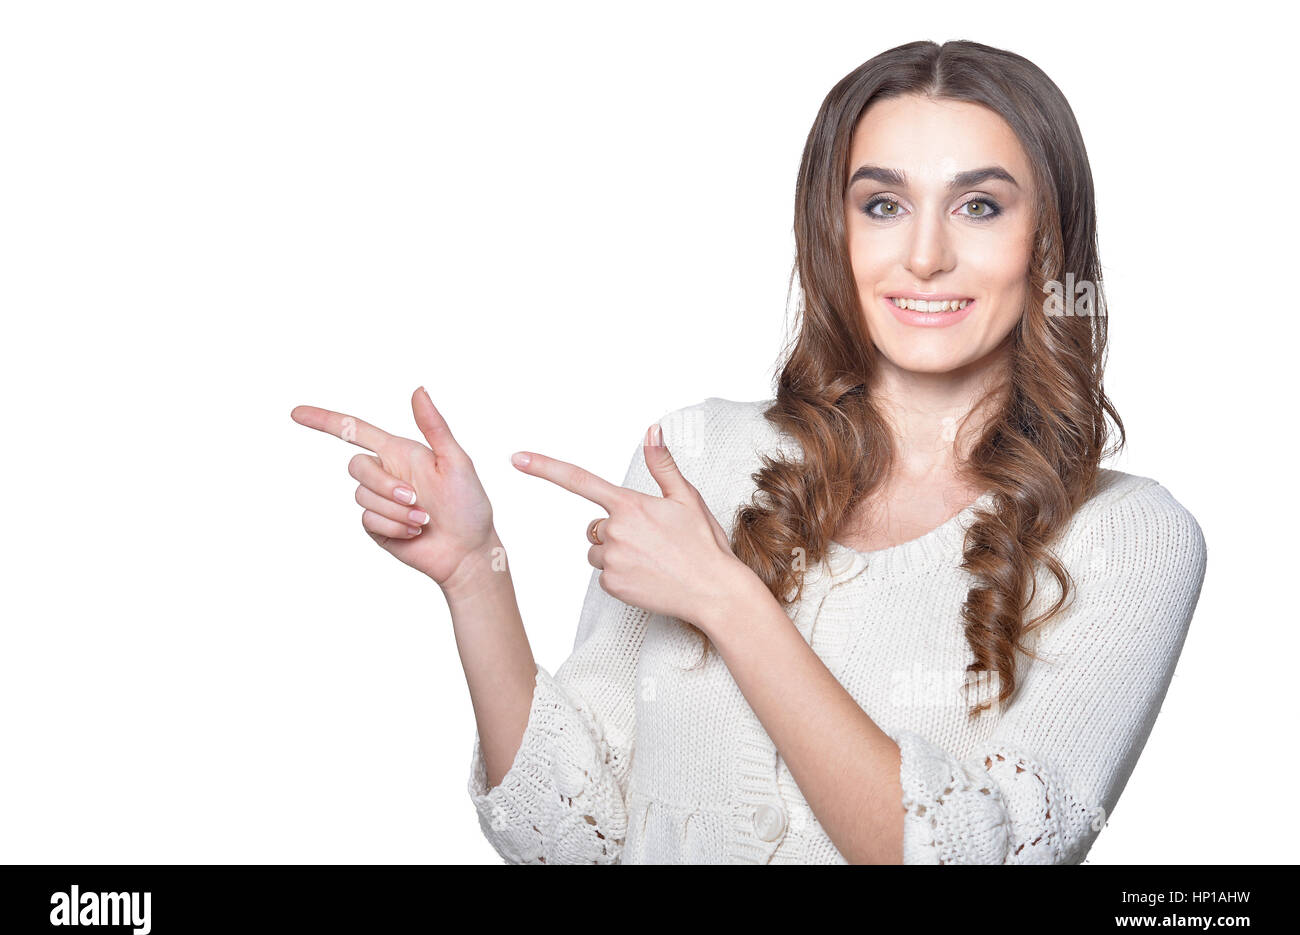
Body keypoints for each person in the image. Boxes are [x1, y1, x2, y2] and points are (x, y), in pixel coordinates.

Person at [290, 38, 1207, 864]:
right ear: (833, 230)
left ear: (1045, 240)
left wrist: (729, 601)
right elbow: (568, 833)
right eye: (883, 203)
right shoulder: (698, 454)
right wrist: (472, 574)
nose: (924, 255)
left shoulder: (1126, 538)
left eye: (978, 205)